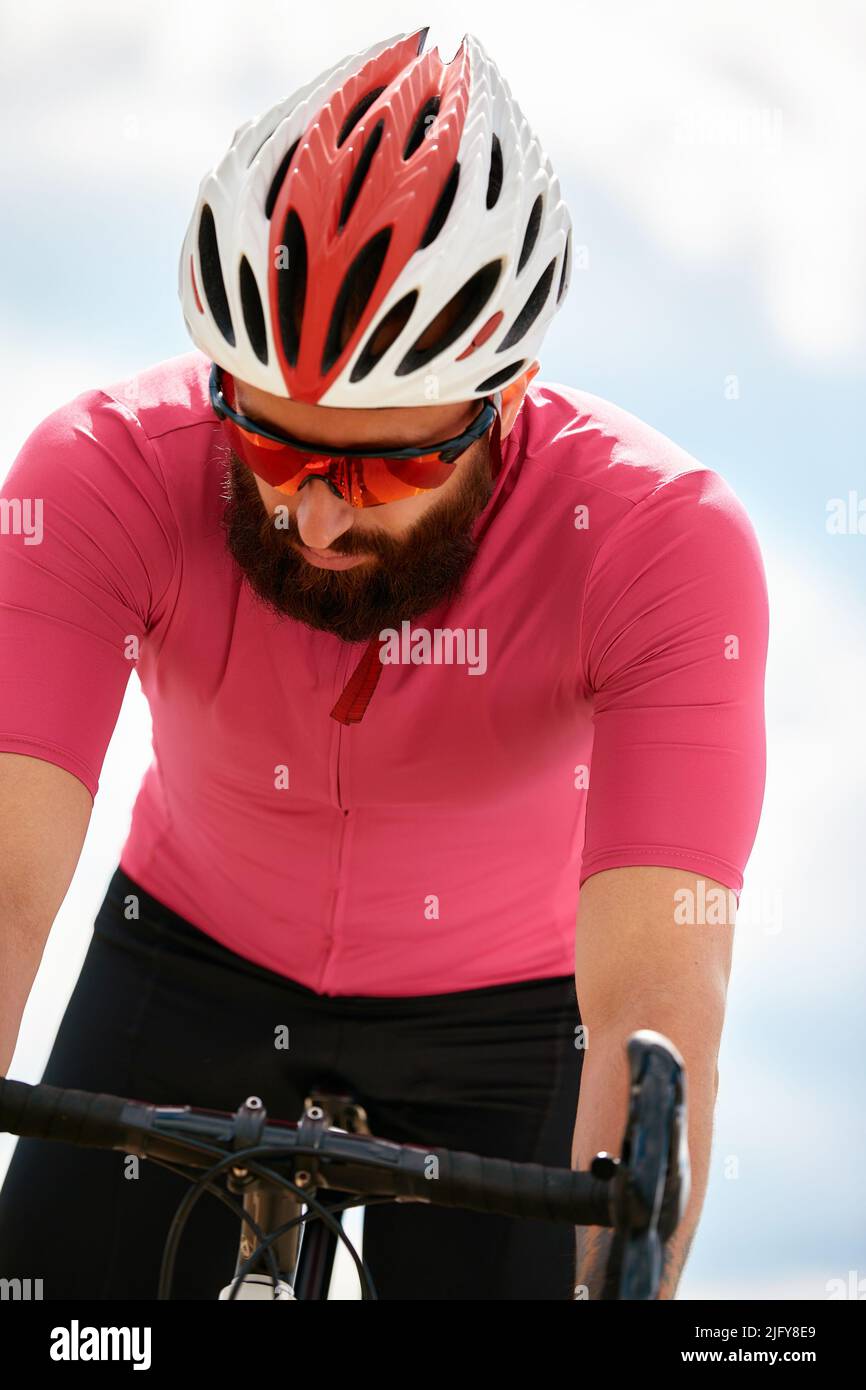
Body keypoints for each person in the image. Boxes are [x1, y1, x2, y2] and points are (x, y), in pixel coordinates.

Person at [0, 26, 768, 1300]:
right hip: (185, 960)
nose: (312, 514)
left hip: (512, 1022)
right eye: (272, 443)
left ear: (507, 396)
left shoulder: (659, 546)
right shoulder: (100, 476)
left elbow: (654, 988)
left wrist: (624, 1249)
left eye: (389, 464)